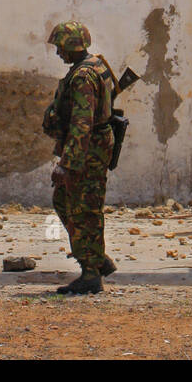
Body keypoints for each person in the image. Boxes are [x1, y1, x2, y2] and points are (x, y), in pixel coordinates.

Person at [43, 20, 117, 295]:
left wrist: (67, 165)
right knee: (66, 201)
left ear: (72, 46)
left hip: (87, 152)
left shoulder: (83, 76)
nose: (58, 53)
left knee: (84, 209)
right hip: (94, 147)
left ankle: (90, 273)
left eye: (61, 47)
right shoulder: (98, 66)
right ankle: (96, 259)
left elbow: (82, 123)